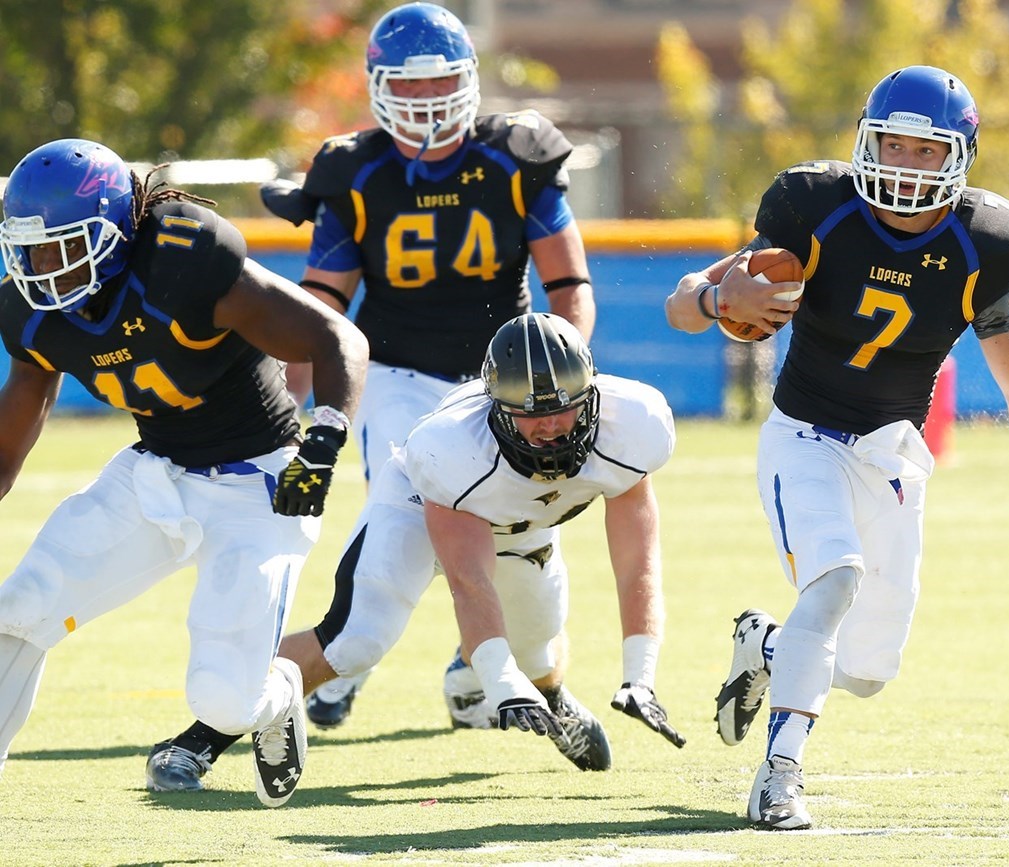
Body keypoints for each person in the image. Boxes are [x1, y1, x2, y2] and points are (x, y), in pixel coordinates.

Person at [665, 65, 1009, 830]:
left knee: (863, 671)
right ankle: (780, 774)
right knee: (835, 579)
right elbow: (684, 302)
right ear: (866, 141)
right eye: (890, 145)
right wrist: (711, 297)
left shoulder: (984, 243)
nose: (902, 165)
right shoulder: (815, 208)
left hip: (893, 452)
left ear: (958, 158)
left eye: (924, 152)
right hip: (802, 436)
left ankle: (766, 644)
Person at [138, 312, 684, 792]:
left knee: (537, 649)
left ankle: (553, 697)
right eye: (527, 413)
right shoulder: (452, 451)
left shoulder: (631, 424)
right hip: (427, 505)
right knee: (356, 638)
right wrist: (497, 679)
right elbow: (470, 582)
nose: (547, 428)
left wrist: (641, 672)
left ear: (591, 393)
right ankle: (195, 741)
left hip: (526, 524)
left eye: (562, 409)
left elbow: (637, 557)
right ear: (496, 406)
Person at [257, 0, 596, 730]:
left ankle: (471, 666)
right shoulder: (355, 168)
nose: (424, 100)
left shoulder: (516, 155)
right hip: (395, 373)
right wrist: (294, 410)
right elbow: (321, 308)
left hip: (500, 380)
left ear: (469, 80)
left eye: (438, 82)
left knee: (510, 525)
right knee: (406, 512)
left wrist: (565, 376)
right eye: (405, 86)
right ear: (378, 86)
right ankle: (348, 650)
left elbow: (568, 286)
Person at [0, 138, 368, 808]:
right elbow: (5, 448)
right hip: (154, 473)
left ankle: (278, 689)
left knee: (224, 699)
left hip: (261, 481)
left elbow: (336, 338)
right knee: (18, 610)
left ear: (114, 232)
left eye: (62, 245)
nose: (44, 268)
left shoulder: (182, 266)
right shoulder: (32, 315)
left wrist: (326, 437)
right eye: (30, 249)